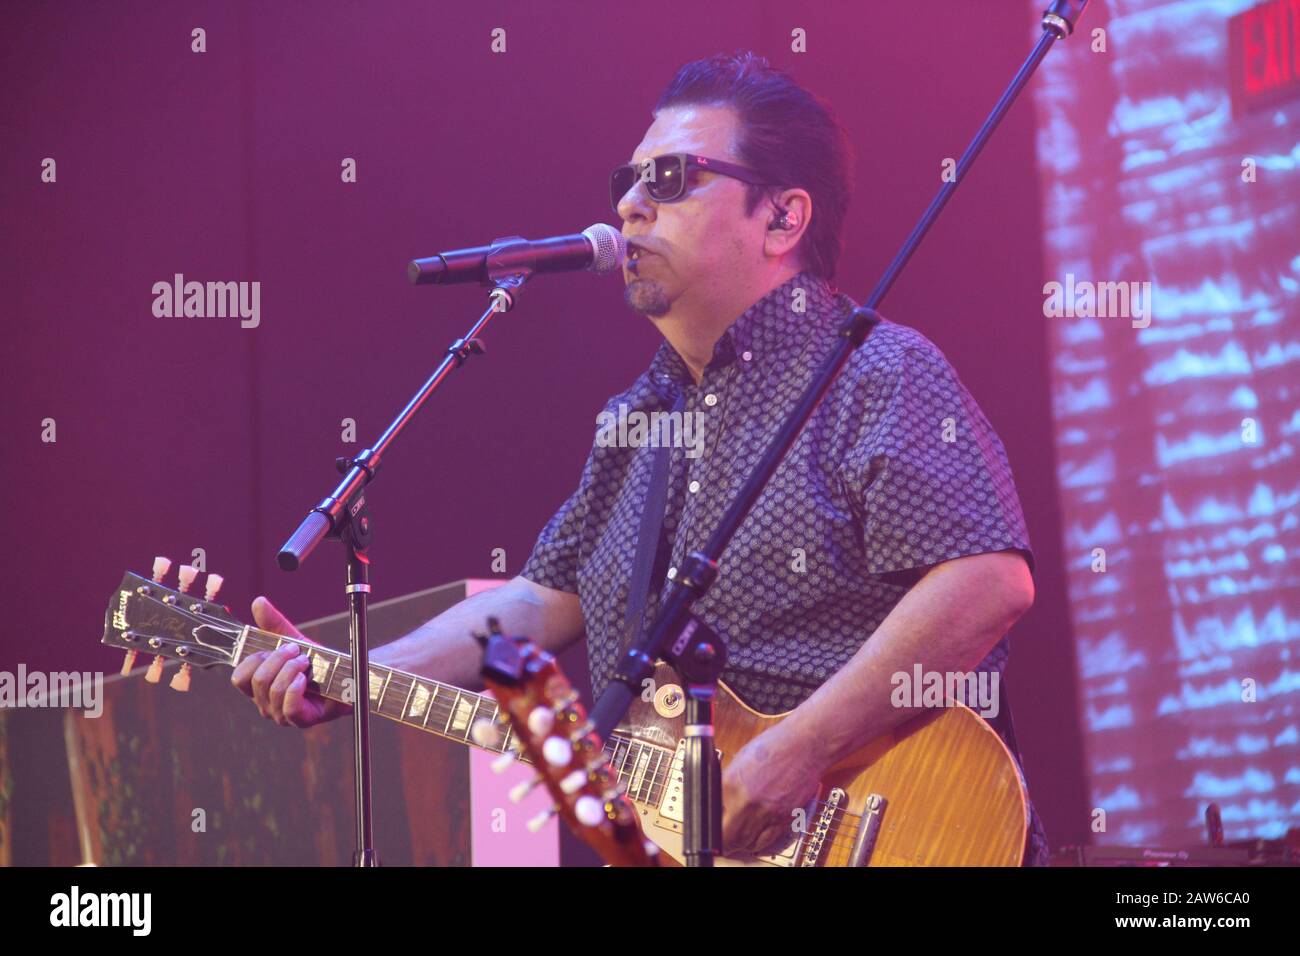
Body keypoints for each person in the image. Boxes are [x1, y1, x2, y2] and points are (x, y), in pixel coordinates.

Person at [233, 50, 1050, 865]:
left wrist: (797, 749)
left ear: (781, 219)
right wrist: (347, 673)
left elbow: (986, 584)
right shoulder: (637, 421)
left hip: (907, 827)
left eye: (669, 179)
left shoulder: (876, 372)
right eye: (628, 180)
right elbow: (533, 605)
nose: (628, 205)